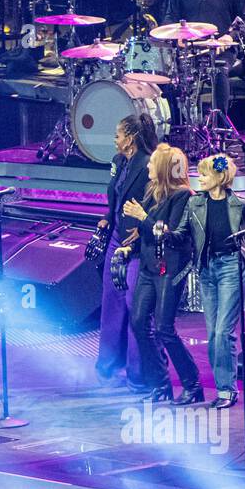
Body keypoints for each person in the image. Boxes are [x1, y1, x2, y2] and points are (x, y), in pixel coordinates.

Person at [170, 154, 245, 408]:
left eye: (205, 174)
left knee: (222, 332)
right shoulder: (195, 203)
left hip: (230, 266)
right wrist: (165, 234)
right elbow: (182, 233)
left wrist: (244, 259)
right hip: (207, 269)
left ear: (219, 178)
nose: (200, 178)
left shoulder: (241, 205)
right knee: (213, 333)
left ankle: (227, 390)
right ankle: (223, 388)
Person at [116, 144, 198, 403]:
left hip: (169, 269)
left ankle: (192, 385)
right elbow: (145, 233)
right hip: (148, 267)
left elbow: (170, 235)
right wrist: (130, 249)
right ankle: (160, 385)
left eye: (153, 163)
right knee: (139, 322)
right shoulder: (154, 192)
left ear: (164, 168)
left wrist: (143, 217)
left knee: (164, 328)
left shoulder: (182, 196)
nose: (149, 166)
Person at [93, 113, 159, 392]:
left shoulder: (149, 165)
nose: (115, 139)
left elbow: (156, 204)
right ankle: (107, 365)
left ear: (130, 139)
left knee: (136, 307)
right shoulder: (118, 162)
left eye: (118, 135)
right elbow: (114, 196)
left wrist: (139, 231)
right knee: (111, 300)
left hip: (137, 243)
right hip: (115, 238)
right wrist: (108, 217)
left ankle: (140, 373)